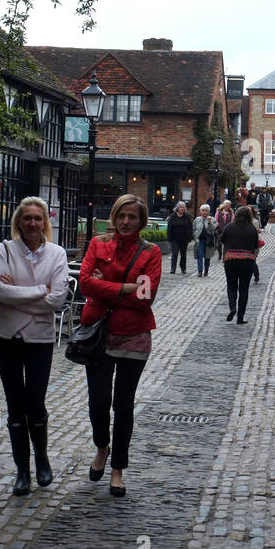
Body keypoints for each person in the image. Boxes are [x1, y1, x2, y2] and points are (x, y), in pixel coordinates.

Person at [78, 194, 163, 498]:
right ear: (113, 217)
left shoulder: (151, 252)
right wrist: (126, 286)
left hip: (134, 336)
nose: (126, 222)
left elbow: (145, 297)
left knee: (123, 405)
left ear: (141, 221)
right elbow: (85, 283)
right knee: (98, 401)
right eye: (121, 216)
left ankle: (118, 468)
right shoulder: (98, 244)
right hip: (99, 335)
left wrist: (107, 287)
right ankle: (102, 445)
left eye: (132, 217)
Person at [0, 196, 71, 496]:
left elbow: (58, 299)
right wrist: (39, 291)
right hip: (7, 338)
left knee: (35, 402)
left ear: (45, 222)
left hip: (40, 339)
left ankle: (42, 459)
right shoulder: (4, 250)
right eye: (28, 218)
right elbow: (0, 291)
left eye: (38, 218)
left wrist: (18, 295)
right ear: (19, 222)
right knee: (14, 405)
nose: (33, 223)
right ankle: (22, 471)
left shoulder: (58, 254)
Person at [220, 206, 264, 324]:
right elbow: (256, 245)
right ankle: (241, 317)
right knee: (244, 289)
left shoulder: (229, 227)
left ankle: (232, 307)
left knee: (231, 286)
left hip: (231, 260)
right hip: (247, 261)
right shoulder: (252, 229)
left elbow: (222, 240)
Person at [166, 201, 193, 274]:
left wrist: (190, 237)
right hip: (174, 239)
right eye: (181, 207)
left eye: (184, 207)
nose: (182, 208)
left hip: (184, 239)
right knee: (174, 253)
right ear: (177, 208)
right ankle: (173, 268)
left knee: (183, 254)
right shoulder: (172, 216)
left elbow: (190, 228)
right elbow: (169, 228)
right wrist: (169, 238)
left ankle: (183, 268)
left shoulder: (187, 217)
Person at [192, 203, 217, 277]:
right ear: (200, 211)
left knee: (207, 257)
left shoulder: (212, 219)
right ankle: (200, 271)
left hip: (209, 241)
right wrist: (195, 237)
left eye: (206, 211)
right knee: (200, 255)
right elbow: (193, 229)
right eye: (203, 210)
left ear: (208, 212)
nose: (204, 212)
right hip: (200, 240)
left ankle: (206, 271)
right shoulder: (197, 219)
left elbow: (213, 229)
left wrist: (209, 223)